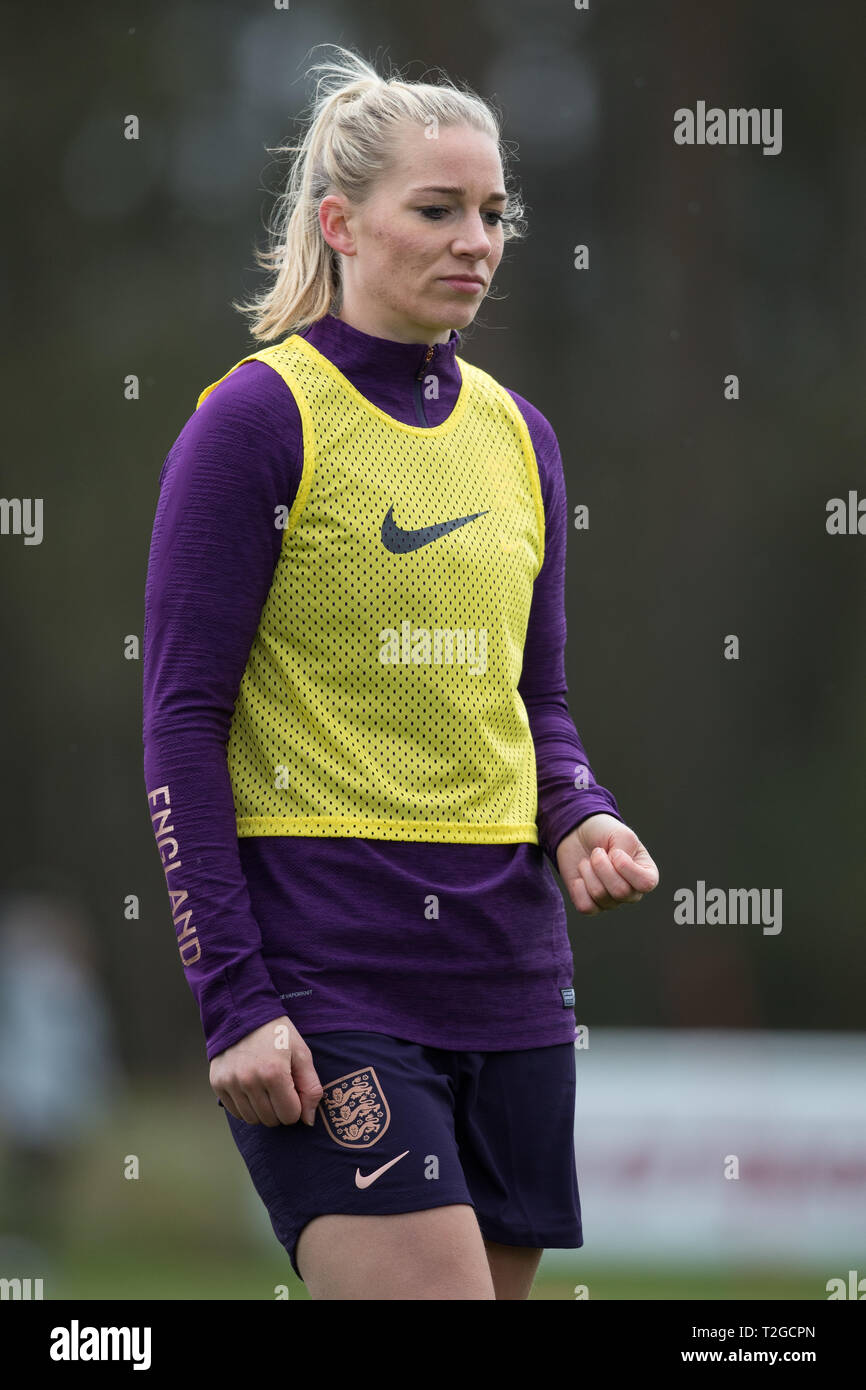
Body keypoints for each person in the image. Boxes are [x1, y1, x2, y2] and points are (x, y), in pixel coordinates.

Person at [142, 43, 659, 1302]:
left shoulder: (519, 436)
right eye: (437, 209)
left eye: (492, 212)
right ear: (342, 226)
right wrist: (231, 997)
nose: (475, 238)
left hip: (510, 972)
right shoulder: (256, 421)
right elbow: (180, 722)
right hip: (327, 968)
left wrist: (577, 806)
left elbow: (534, 701)